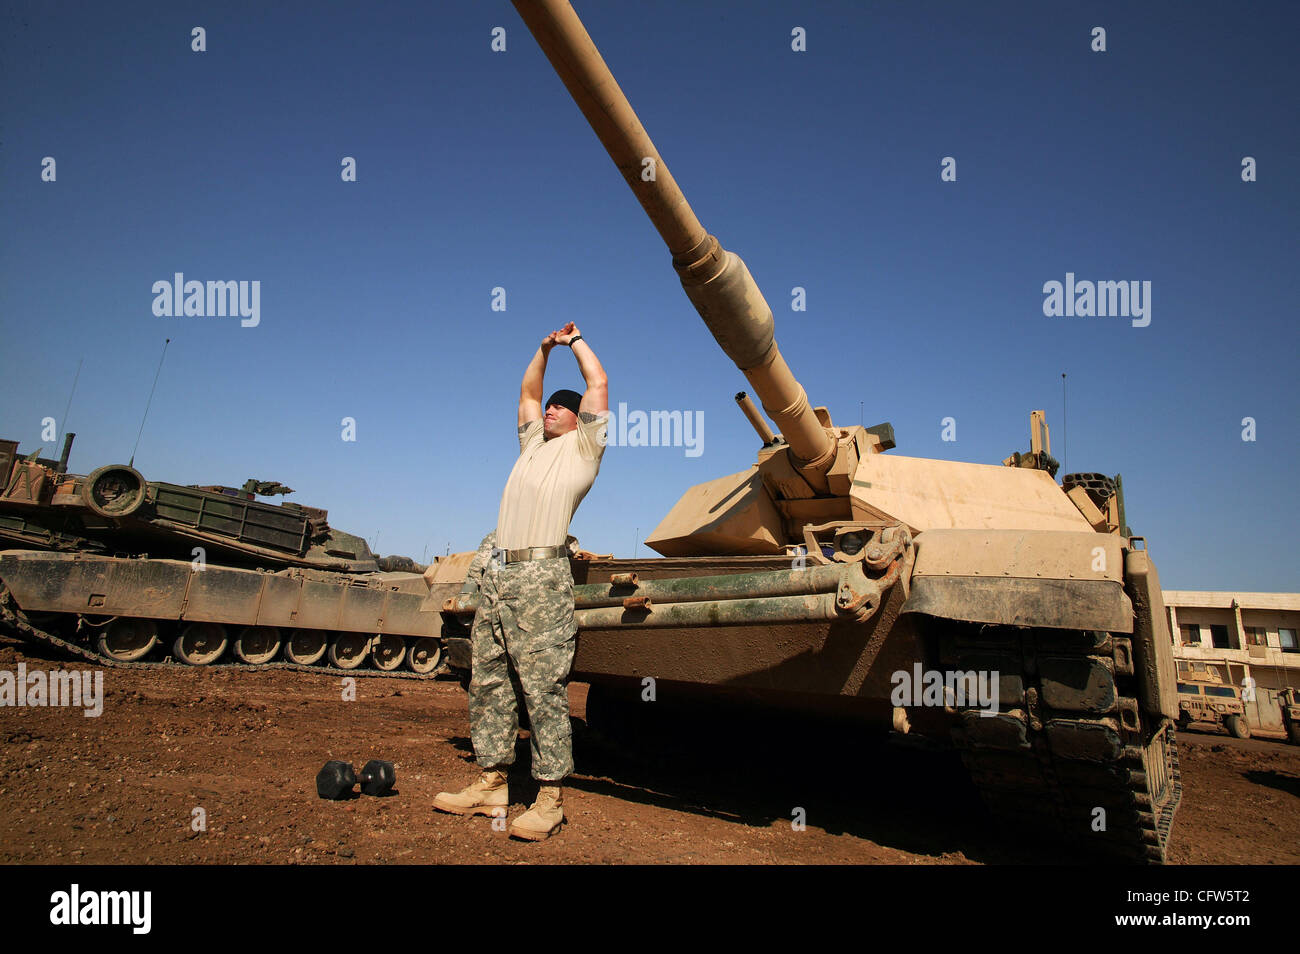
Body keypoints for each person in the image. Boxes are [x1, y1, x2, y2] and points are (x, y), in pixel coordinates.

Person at [433, 321, 608, 840]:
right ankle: (491, 782)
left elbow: (598, 383)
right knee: (488, 682)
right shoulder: (532, 445)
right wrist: (542, 347)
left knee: (542, 688)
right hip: (499, 574)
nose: (550, 408)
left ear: (580, 420)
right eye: (550, 406)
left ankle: (550, 797)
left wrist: (574, 343)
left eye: (561, 406)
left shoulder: (583, 450)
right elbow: (528, 392)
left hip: (541, 576)